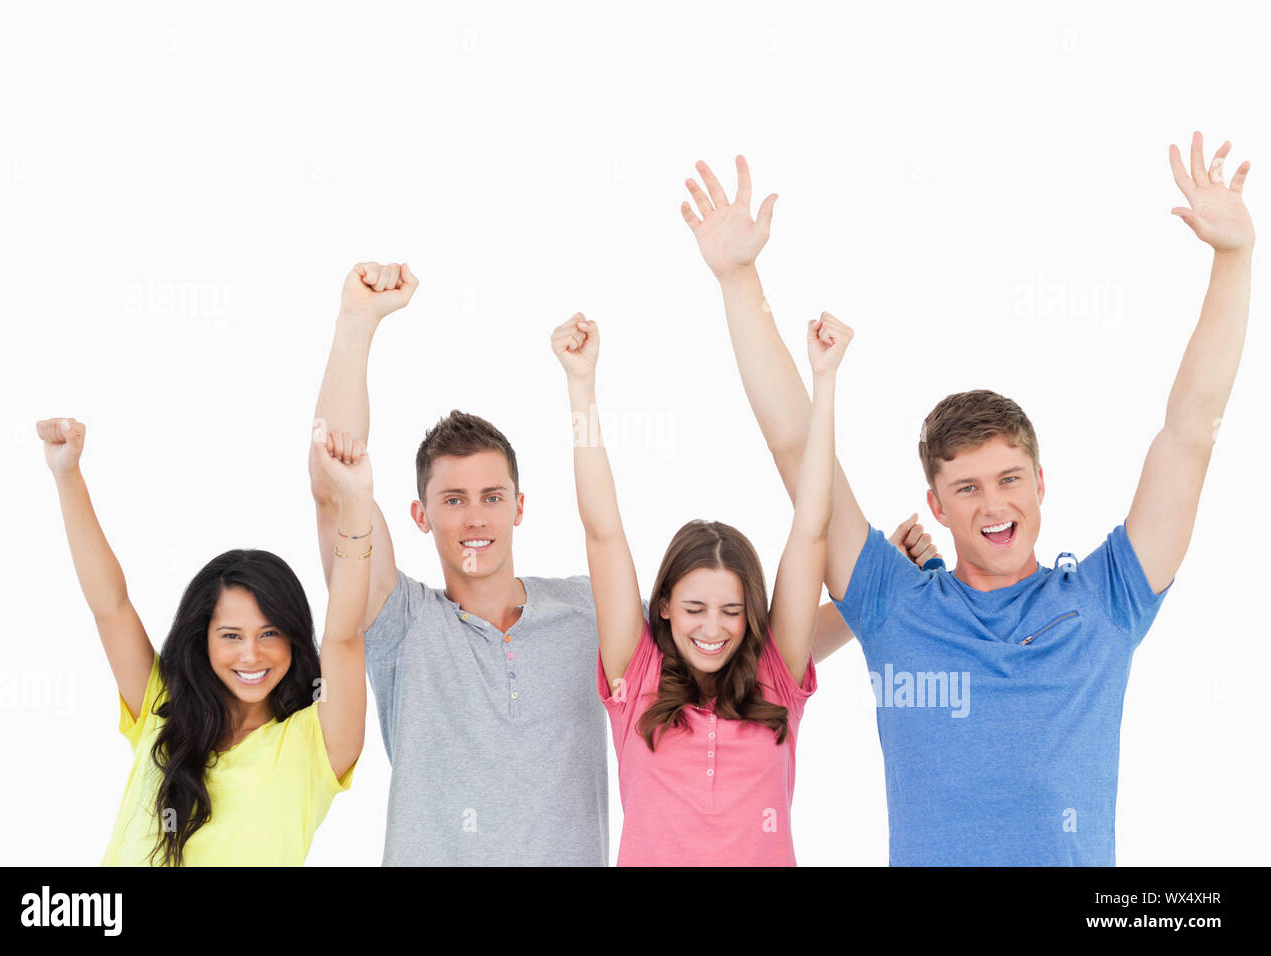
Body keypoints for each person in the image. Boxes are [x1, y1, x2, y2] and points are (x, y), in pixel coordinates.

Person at [682, 136, 1253, 865]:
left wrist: (1233, 262)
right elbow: (797, 448)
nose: (994, 505)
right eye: (968, 488)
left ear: (1040, 484)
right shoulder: (893, 603)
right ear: (937, 504)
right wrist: (739, 280)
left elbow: (1189, 436)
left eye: (1010, 478)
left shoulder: (1109, 598)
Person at [309, 262, 939, 866]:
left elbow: (752, 632)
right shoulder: (401, 621)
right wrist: (355, 325)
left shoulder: (585, 613)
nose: (475, 519)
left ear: (519, 507)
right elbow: (335, 485)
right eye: (453, 501)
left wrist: (870, 606)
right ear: (420, 515)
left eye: (491, 497)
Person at [551, 307, 847, 865]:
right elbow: (603, 533)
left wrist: (825, 384)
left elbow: (811, 528)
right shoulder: (633, 678)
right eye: (694, 608)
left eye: (732, 610)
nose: (713, 629)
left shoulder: (774, 679)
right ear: (663, 606)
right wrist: (580, 385)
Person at [40, 415, 371, 865]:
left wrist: (355, 503)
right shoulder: (163, 710)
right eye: (231, 635)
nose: (251, 654)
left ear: (294, 638)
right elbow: (110, 605)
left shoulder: (315, 745)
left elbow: (344, 638)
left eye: (270, 633)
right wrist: (66, 472)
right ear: (204, 641)